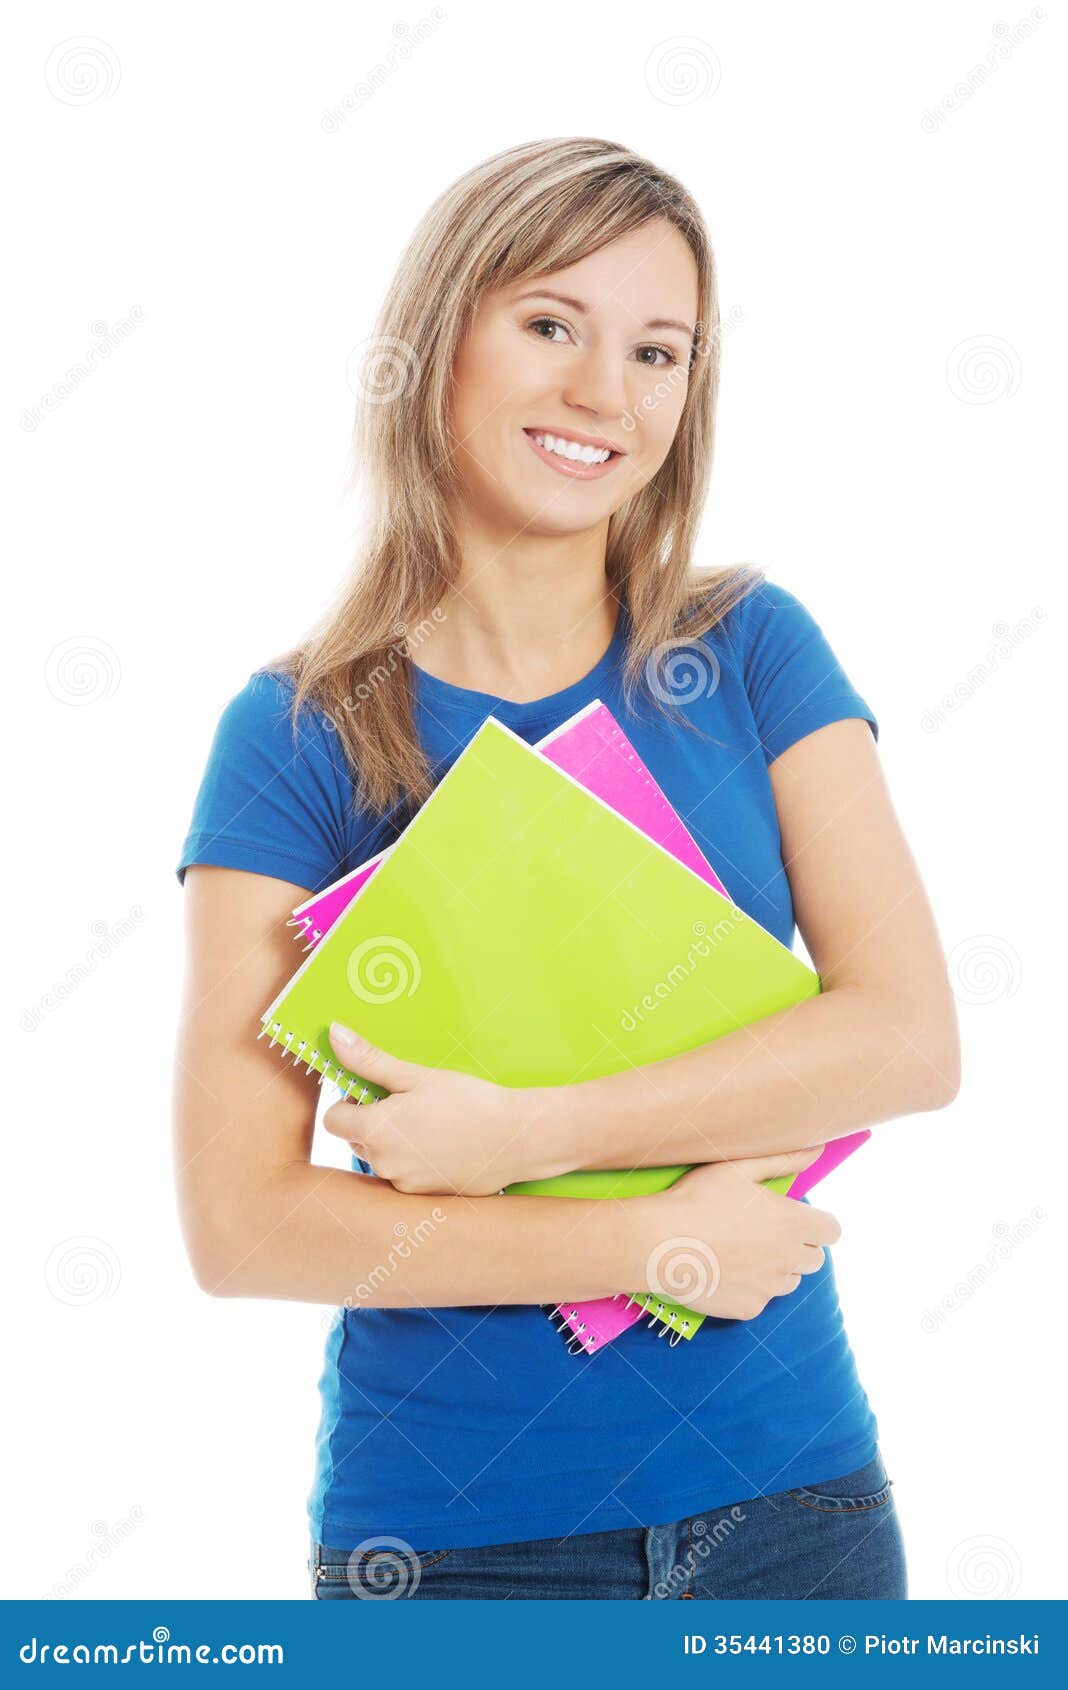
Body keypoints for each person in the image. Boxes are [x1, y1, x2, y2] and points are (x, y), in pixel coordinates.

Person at [173, 138, 959, 1601]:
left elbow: (908, 1038)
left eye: (658, 351)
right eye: (552, 324)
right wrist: (651, 1240)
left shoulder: (750, 650)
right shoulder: (297, 735)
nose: (607, 392)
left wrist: (531, 1131)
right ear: (438, 341)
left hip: (797, 1511)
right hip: (462, 1546)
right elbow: (245, 1222)